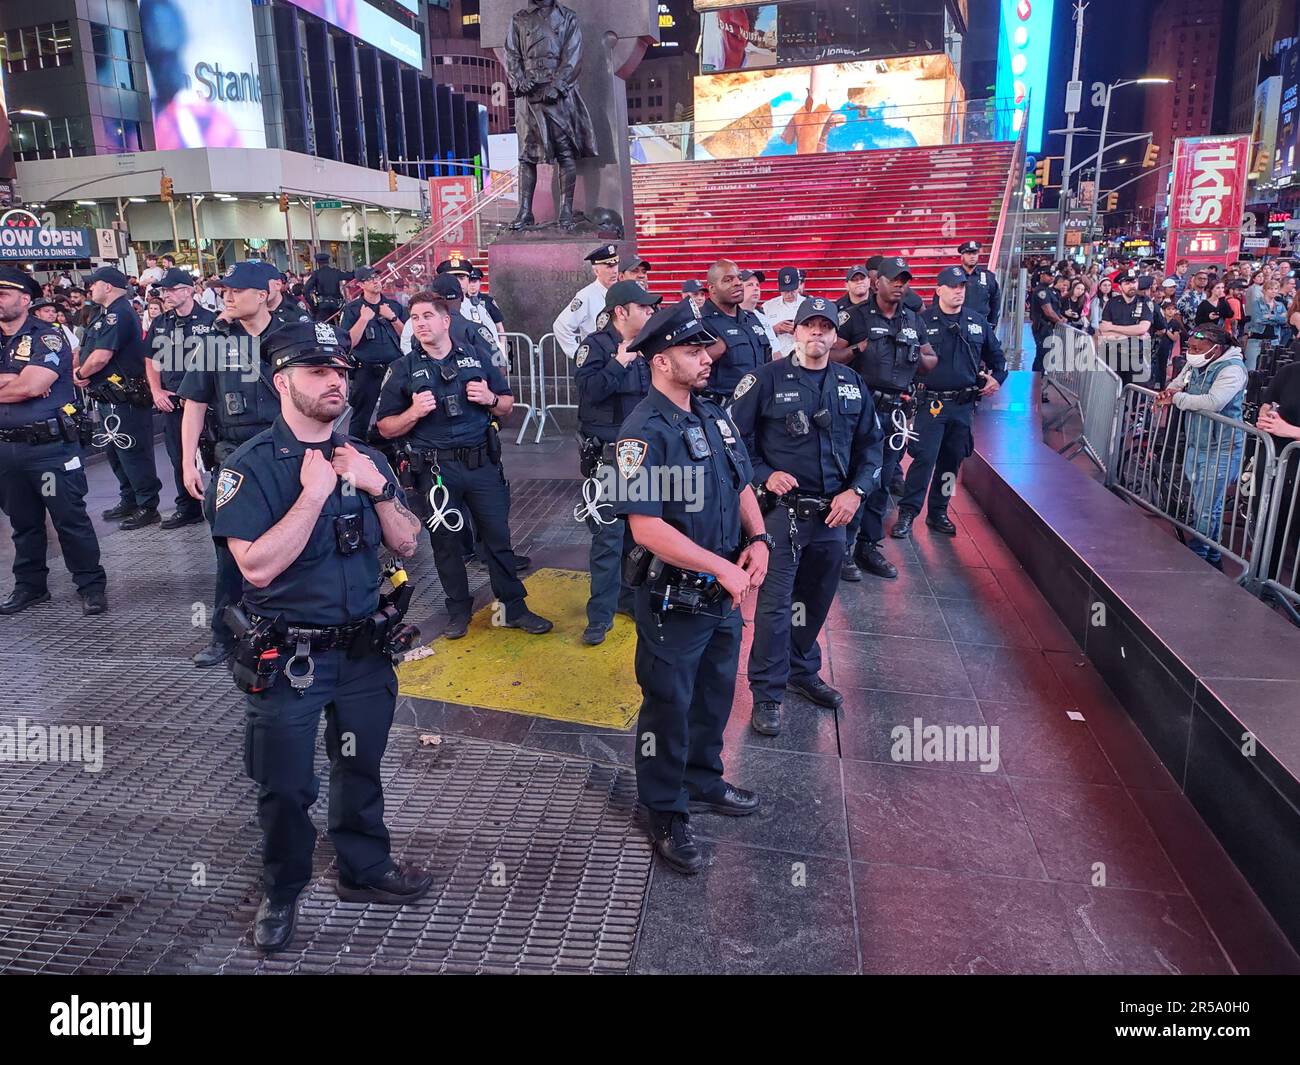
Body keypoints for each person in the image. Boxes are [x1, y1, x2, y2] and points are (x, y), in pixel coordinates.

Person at [211, 321, 430, 953]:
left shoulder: (365, 457)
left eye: (341, 372)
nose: (337, 381)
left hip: (363, 651)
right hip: (289, 661)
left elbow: (407, 541)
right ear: (282, 381)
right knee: (285, 786)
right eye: (318, 372)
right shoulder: (249, 468)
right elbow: (255, 566)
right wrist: (310, 498)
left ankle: (365, 866)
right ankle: (283, 888)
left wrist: (378, 487)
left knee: (360, 766)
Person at [614, 299, 771, 875]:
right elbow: (646, 526)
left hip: (722, 592)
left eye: (705, 348)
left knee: (714, 693)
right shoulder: (639, 435)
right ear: (660, 361)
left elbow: (742, 482)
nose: (706, 358)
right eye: (691, 350)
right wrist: (721, 567)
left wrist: (758, 540)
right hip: (672, 598)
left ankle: (703, 780)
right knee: (668, 705)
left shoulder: (714, 414)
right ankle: (661, 806)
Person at [730, 297, 883, 736]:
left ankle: (801, 670)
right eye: (809, 326)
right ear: (793, 332)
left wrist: (856, 493)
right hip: (782, 516)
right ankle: (768, 692)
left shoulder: (851, 383)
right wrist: (764, 474)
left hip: (834, 515)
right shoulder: (764, 380)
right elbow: (735, 443)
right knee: (775, 608)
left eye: (825, 327)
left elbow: (871, 448)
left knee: (814, 601)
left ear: (835, 336)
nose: (817, 333)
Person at [376, 292, 552, 638]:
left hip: (482, 465)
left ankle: (512, 609)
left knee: (497, 539)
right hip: (435, 472)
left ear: (446, 321)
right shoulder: (402, 369)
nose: (421, 323)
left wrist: (490, 399)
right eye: (415, 317)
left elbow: (507, 406)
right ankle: (458, 611)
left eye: (428, 315)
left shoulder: (477, 357)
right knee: (446, 543)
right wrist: (413, 412)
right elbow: (384, 426)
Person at [179, 262, 285, 668]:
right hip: (234, 460)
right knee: (230, 556)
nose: (227, 296)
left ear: (262, 294)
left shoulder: (293, 334)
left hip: (286, 458)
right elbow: (194, 405)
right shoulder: (215, 342)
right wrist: (189, 462)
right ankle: (224, 636)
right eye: (224, 289)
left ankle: (289, 629)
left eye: (237, 290)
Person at [0, 266, 107, 616]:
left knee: (68, 519)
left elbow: (32, 385)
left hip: (48, 450)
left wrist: (21, 382)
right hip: (7, 450)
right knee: (23, 523)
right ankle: (30, 587)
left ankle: (90, 586)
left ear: (25, 299)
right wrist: (14, 382)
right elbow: (25, 385)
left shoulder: (48, 336)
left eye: (3, 294)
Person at [832, 256, 936, 579]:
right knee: (855, 479)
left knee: (881, 481)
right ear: (878, 283)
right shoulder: (855, 316)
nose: (901, 286)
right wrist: (859, 349)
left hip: (897, 412)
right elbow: (833, 355)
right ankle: (842, 550)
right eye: (895, 280)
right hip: (861, 410)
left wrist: (918, 354)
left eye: (905, 281)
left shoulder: (913, 321)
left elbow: (932, 358)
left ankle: (867, 546)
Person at [573, 280, 660, 644]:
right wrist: (619, 364)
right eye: (644, 307)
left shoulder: (650, 345)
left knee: (637, 536)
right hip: (608, 457)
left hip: (642, 455)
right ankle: (600, 616)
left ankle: (627, 597)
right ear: (621, 311)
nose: (650, 312)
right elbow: (589, 391)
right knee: (608, 538)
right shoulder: (595, 346)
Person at [893, 266, 1007, 539]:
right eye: (953, 286)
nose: (958, 291)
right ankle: (908, 512)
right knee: (923, 460)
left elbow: (998, 361)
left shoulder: (977, 321)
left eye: (962, 287)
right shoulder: (923, 321)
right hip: (931, 404)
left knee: (951, 462)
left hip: (963, 405)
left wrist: (997, 380)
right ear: (938, 290)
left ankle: (939, 511)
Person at [76, 266, 164, 530]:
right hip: (107, 395)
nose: (89, 288)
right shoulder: (104, 313)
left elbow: (102, 355)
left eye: (93, 284)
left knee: (132, 451)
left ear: (108, 286)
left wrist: (80, 373)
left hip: (124, 396)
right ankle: (130, 498)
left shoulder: (119, 314)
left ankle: (147, 505)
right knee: (116, 452)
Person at [1156, 325, 1248, 570]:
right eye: (1190, 347)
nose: (1191, 352)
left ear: (1216, 349)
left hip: (1223, 448)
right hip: (1197, 442)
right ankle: (1213, 557)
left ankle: (1198, 556)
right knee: (1203, 504)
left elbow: (1213, 402)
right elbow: (1177, 383)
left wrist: (1176, 399)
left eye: (1197, 348)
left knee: (1208, 508)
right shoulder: (1195, 364)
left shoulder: (1232, 370)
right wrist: (1170, 391)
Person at [145, 267, 217, 530]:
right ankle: (187, 507)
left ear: (187, 290)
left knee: (217, 453)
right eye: (163, 290)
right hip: (172, 401)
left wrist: (202, 396)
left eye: (171, 290)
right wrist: (156, 390)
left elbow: (220, 362)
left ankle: (223, 501)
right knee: (178, 457)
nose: (165, 295)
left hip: (206, 405)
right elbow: (151, 359)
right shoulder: (161, 323)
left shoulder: (211, 320)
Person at [340, 266, 405, 440]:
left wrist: (393, 318)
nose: (376, 281)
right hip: (367, 369)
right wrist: (363, 319)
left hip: (395, 368)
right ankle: (357, 451)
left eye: (377, 277)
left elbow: (408, 336)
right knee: (361, 416)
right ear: (361, 285)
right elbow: (348, 343)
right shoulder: (353, 309)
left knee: (400, 412)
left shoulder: (393, 306)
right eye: (370, 279)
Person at [699, 258, 771, 404]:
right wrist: (712, 352)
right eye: (728, 280)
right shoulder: (699, 322)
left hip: (759, 406)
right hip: (721, 409)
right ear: (712, 288)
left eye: (738, 277)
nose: (738, 283)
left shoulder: (752, 319)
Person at [553, 245, 619, 359]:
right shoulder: (586, 295)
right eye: (609, 266)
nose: (614, 271)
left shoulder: (623, 290)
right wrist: (580, 355)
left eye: (616, 264)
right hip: (600, 361)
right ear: (596, 271)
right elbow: (561, 326)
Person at [1098, 271, 1158, 385]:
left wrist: (1113, 327)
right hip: (1113, 355)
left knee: (1134, 395)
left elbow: (1142, 328)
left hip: (1136, 356)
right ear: (1120, 287)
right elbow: (1104, 331)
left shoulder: (1145, 301)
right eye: (1127, 283)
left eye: (1134, 282)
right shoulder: (1112, 303)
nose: (1131, 285)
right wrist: (1134, 334)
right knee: (1111, 391)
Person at [953, 239, 1001, 333]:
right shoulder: (952, 275)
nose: (972, 257)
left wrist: (992, 323)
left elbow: (995, 301)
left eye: (975, 253)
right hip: (958, 325)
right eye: (969, 254)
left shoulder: (988, 276)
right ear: (962, 256)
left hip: (980, 326)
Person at [760, 266, 805, 360]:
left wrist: (798, 331)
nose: (789, 294)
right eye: (785, 291)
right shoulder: (768, 306)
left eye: (792, 290)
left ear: (799, 284)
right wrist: (774, 330)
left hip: (801, 357)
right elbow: (758, 334)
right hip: (775, 358)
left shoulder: (807, 304)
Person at [1028, 269, 1065, 373]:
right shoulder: (1041, 291)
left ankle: (1038, 378)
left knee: (1045, 354)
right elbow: (1048, 311)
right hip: (1042, 327)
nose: (1051, 277)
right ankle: (1036, 378)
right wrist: (1059, 321)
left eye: (1053, 275)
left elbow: (1055, 309)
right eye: (1049, 275)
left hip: (1048, 327)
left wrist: (1061, 318)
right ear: (1042, 275)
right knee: (1042, 354)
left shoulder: (1049, 290)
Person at [464, 268, 507, 355]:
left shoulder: (488, 301)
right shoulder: (460, 301)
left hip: (488, 344)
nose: (472, 285)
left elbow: (499, 326)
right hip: (468, 345)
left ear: (480, 282)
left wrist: (502, 347)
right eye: (469, 282)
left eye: (475, 281)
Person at [303, 251, 353, 320]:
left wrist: (313, 305)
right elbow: (350, 276)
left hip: (323, 306)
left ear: (318, 263)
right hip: (337, 305)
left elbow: (305, 290)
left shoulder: (316, 274)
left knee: (321, 327)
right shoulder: (335, 272)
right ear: (328, 262)